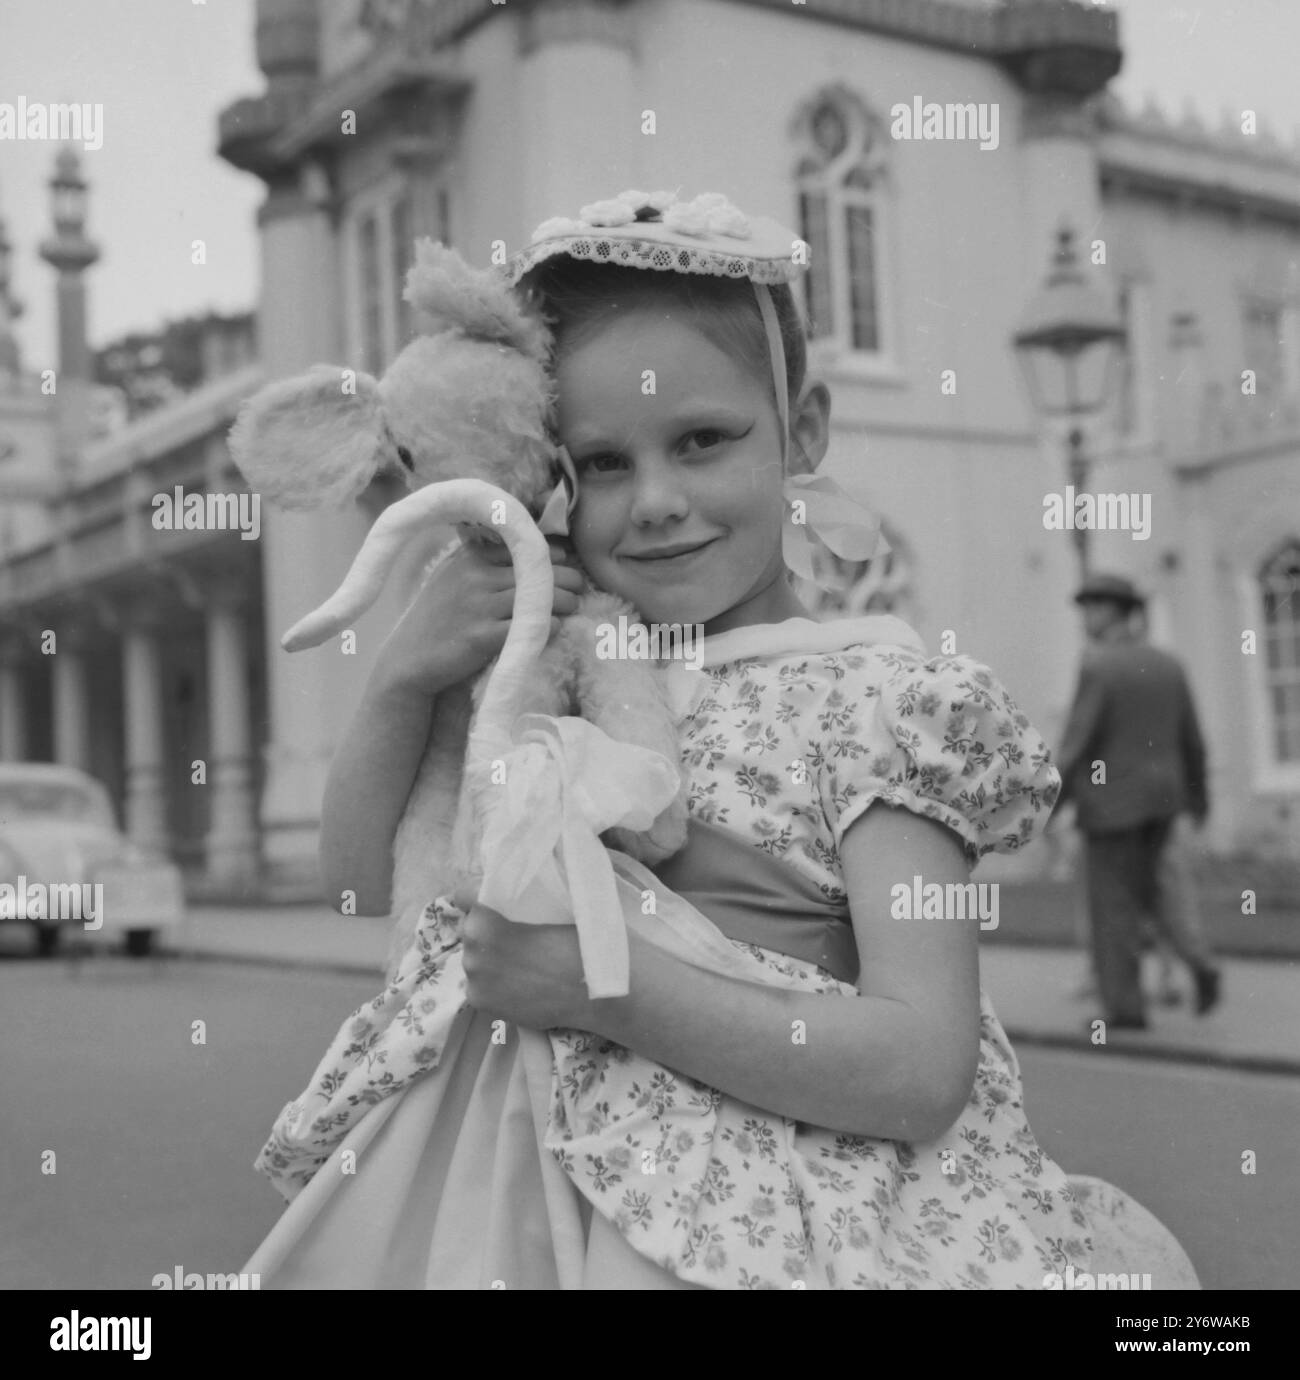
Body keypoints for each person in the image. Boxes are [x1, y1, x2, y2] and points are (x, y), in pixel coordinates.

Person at [240, 190, 1199, 1288]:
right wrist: (403, 678)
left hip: (771, 1237)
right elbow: (359, 886)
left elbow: (921, 1063)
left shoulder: (875, 702)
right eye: (602, 463)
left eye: (701, 441)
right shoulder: (552, 679)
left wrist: (605, 987)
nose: (653, 501)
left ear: (802, 431)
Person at [1055, 574, 1221, 1030]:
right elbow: (1193, 741)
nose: (1086, 617)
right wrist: (1199, 800)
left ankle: (1125, 1012)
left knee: (1112, 909)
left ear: (1115, 612)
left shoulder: (1099, 666)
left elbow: (1075, 746)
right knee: (1156, 891)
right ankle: (1200, 963)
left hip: (1110, 808)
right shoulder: (1169, 665)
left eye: (1093, 607)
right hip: (1163, 802)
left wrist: (1046, 806)